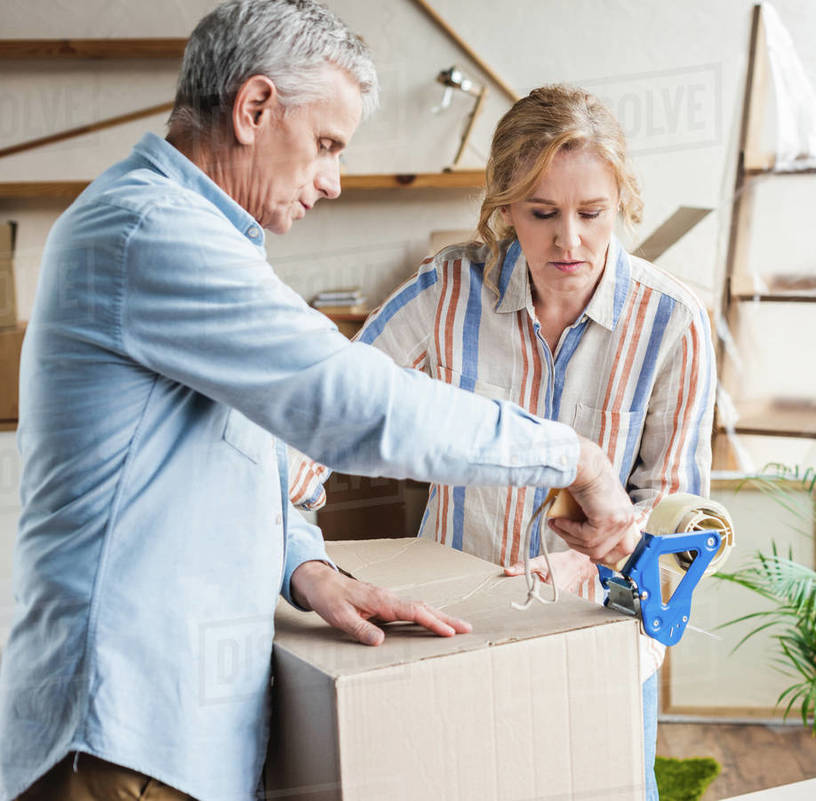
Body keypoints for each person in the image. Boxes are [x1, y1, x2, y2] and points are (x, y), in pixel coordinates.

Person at [0, 4, 639, 801]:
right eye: (327, 145)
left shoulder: (200, 236)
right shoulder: (149, 231)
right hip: (123, 740)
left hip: (160, 737)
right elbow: (353, 403)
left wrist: (306, 566)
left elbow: (240, 451)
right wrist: (572, 455)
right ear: (255, 108)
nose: (332, 179)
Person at [290, 85, 717, 801]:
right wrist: (297, 547)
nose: (568, 242)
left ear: (622, 203)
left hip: (600, 642)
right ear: (504, 208)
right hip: (453, 634)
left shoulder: (672, 323)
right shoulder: (447, 291)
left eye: (592, 213)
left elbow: (680, 518)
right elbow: (333, 407)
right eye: (541, 213)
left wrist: (626, 542)